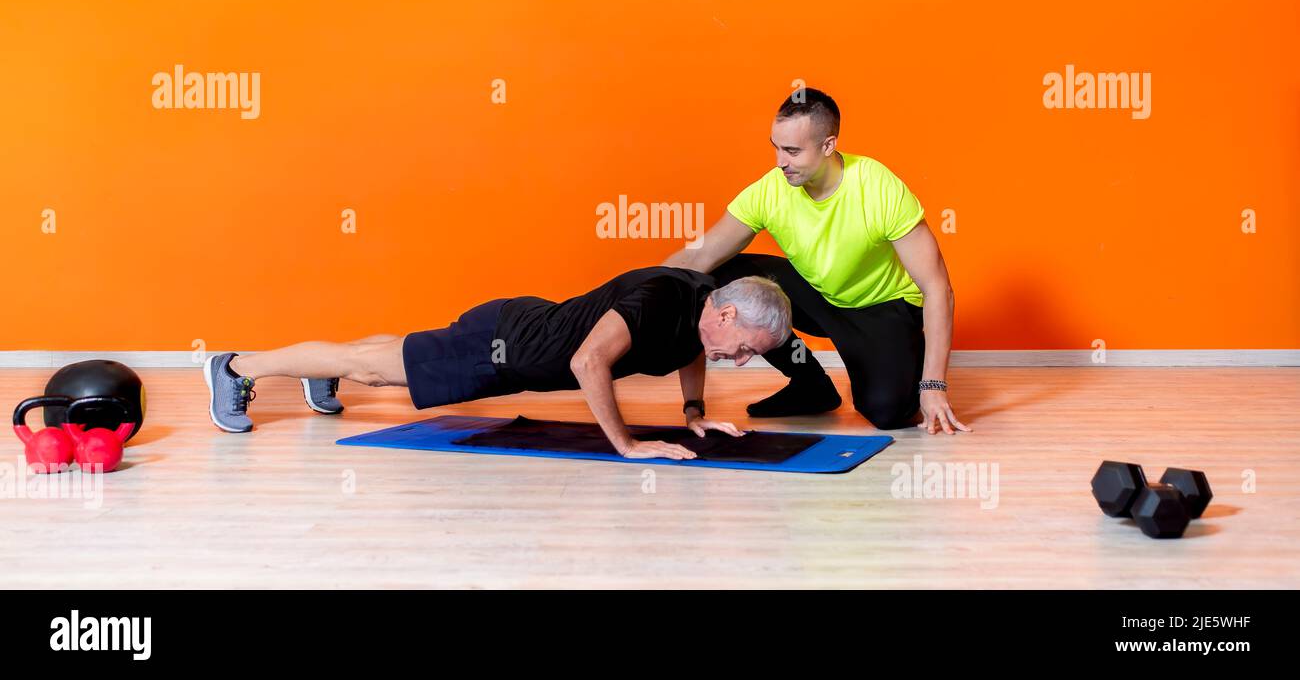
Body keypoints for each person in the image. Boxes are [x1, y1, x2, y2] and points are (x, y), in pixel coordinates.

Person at [203, 267, 792, 459]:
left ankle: (323, 366)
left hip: (516, 329)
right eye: (743, 349)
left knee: (380, 355)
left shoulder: (703, 304)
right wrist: (629, 445)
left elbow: (690, 350)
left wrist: (694, 411)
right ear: (728, 315)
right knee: (376, 369)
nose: (739, 362)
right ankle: (235, 367)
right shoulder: (665, 298)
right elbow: (590, 361)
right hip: (503, 347)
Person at [664, 88, 970, 435]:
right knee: (717, 272)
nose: (780, 161)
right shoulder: (771, 189)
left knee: (889, 413)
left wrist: (933, 386)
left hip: (881, 307)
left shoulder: (877, 186)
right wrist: (631, 298)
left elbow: (937, 288)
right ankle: (809, 383)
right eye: (776, 147)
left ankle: (900, 380)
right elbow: (699, 254)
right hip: (817, 298)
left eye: (793, 151)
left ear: (828, 146)